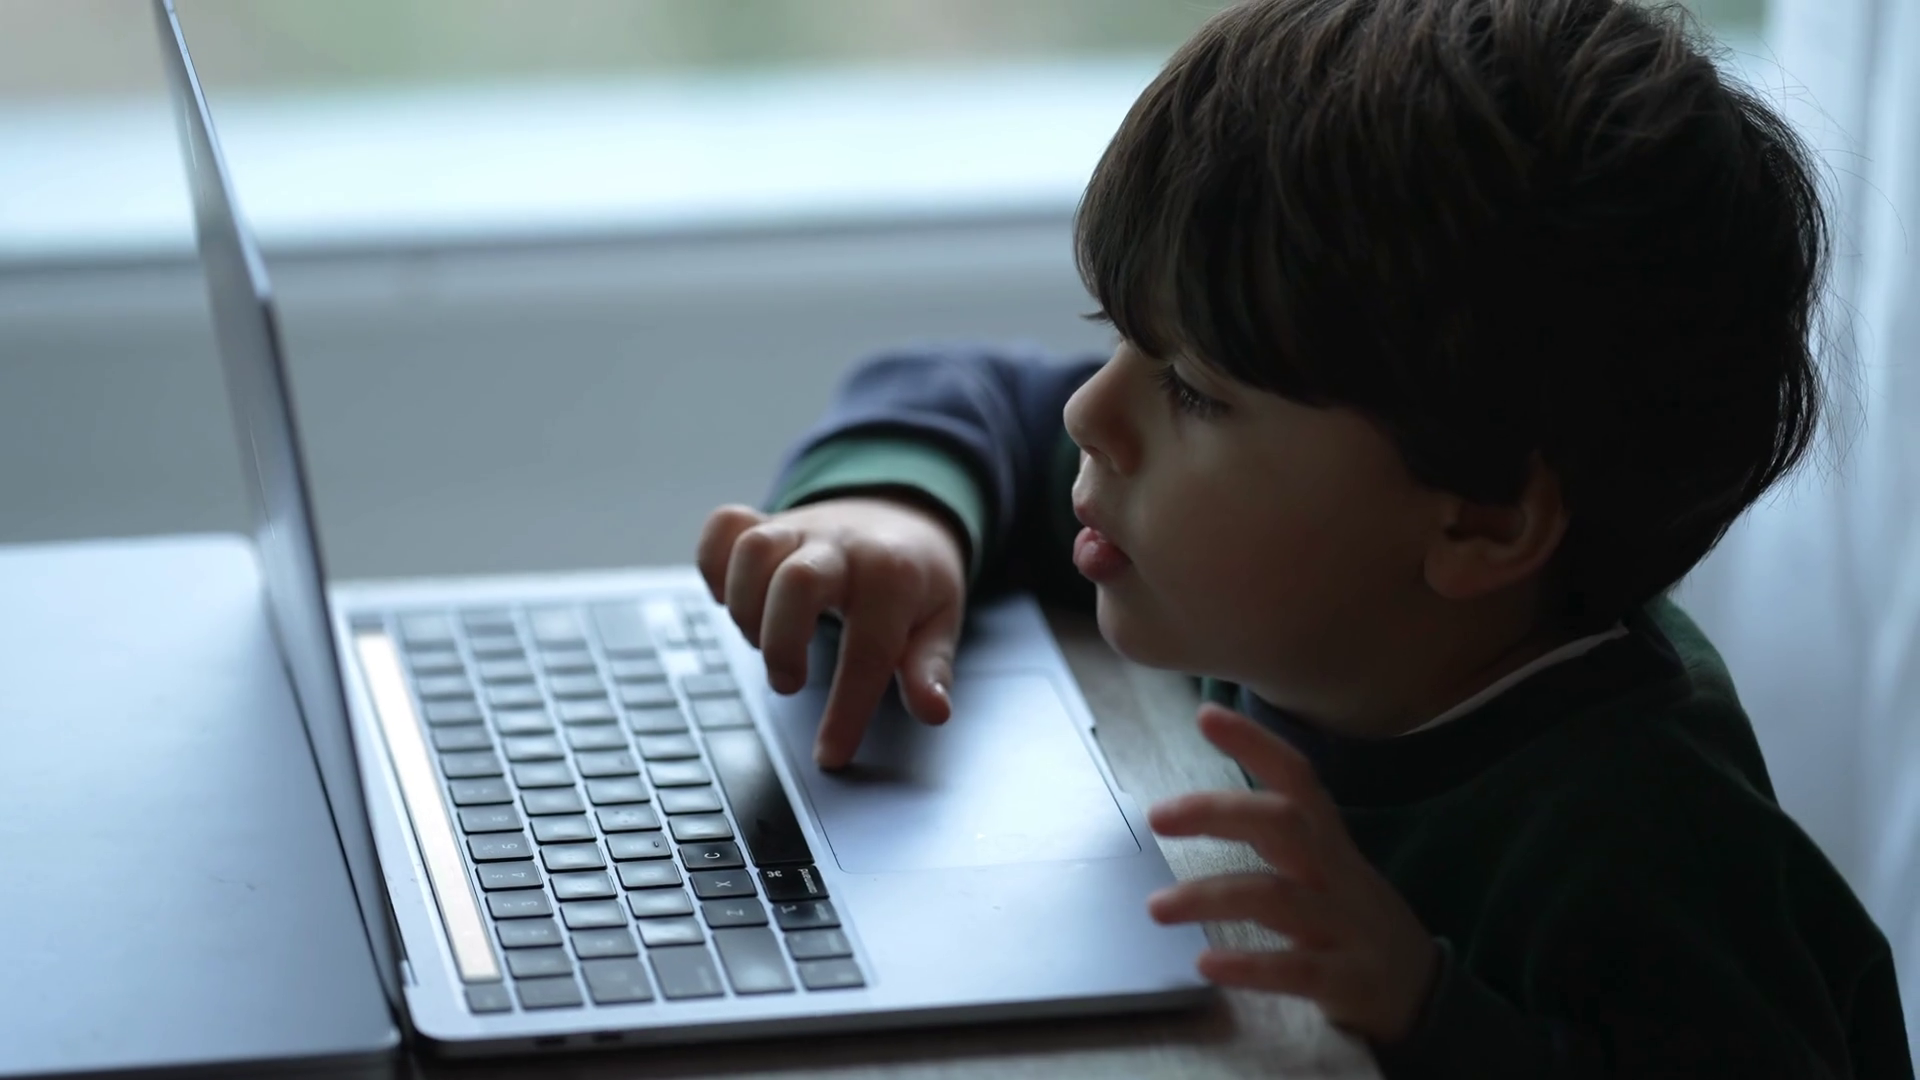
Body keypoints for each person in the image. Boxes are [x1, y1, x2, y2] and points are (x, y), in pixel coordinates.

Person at [695, 0, 1912, 1073]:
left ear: (1480, 521)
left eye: (1194, 390)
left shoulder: (1652, 846)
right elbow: (985, 406)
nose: (1091, 413)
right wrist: (899, 517)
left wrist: (1429, 1010)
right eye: (1119, 337)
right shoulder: (1320, 580)